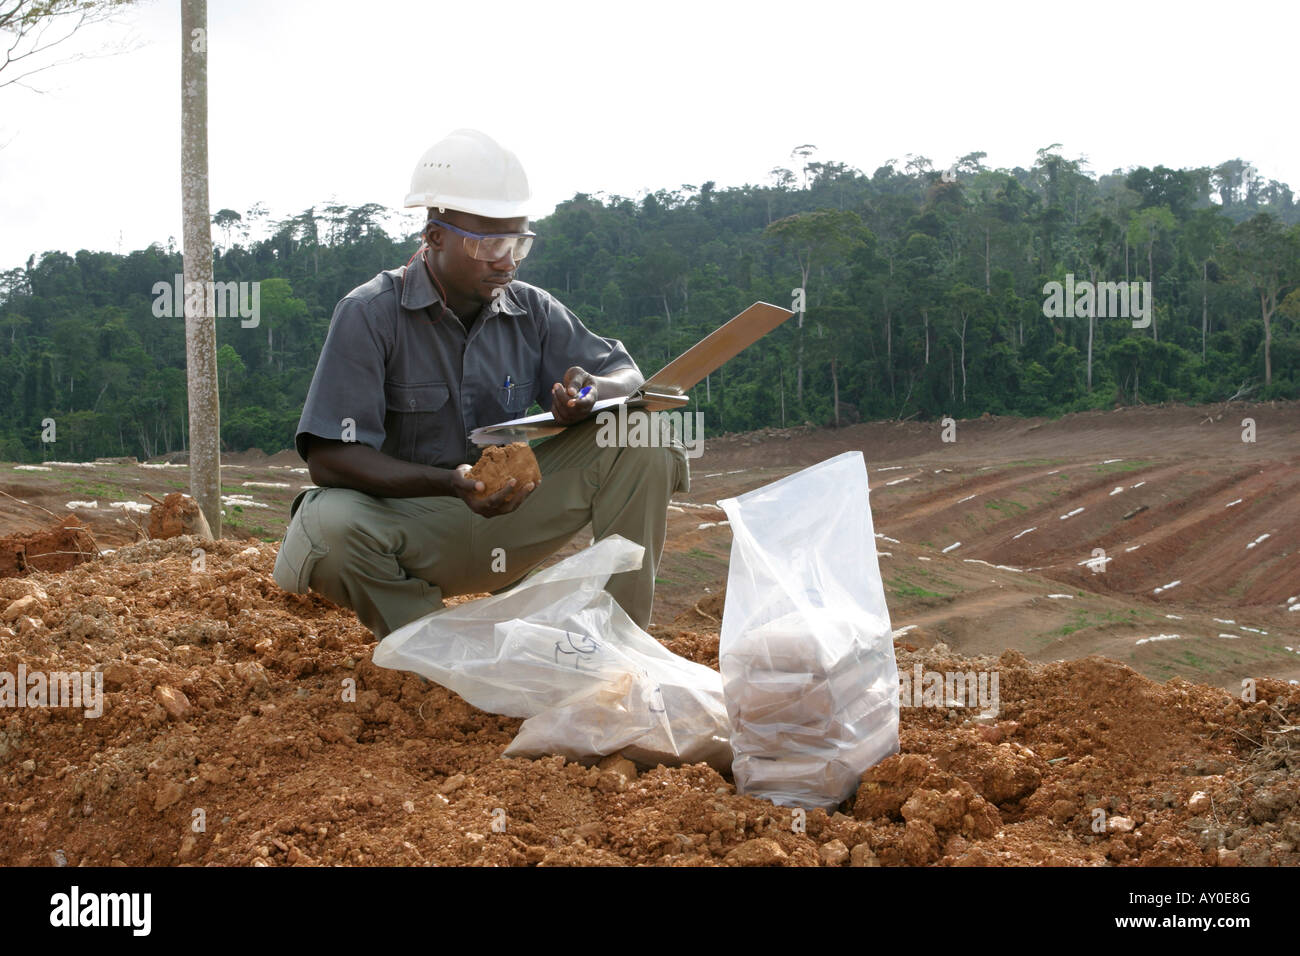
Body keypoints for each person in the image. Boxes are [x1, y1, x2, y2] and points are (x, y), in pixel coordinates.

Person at [272, 129, 688, 640]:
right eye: (489, 241)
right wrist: (450, 483)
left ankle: (619, 643)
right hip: (416, 528)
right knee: (325, 524)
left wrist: (589, 392)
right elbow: (328, 459)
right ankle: (430, 641)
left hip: (510, 520)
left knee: (640, 435)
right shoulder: (370, 314)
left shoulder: (531, 310)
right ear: (434, 236)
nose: (506, 259)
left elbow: (629, 377)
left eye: (518, 241)